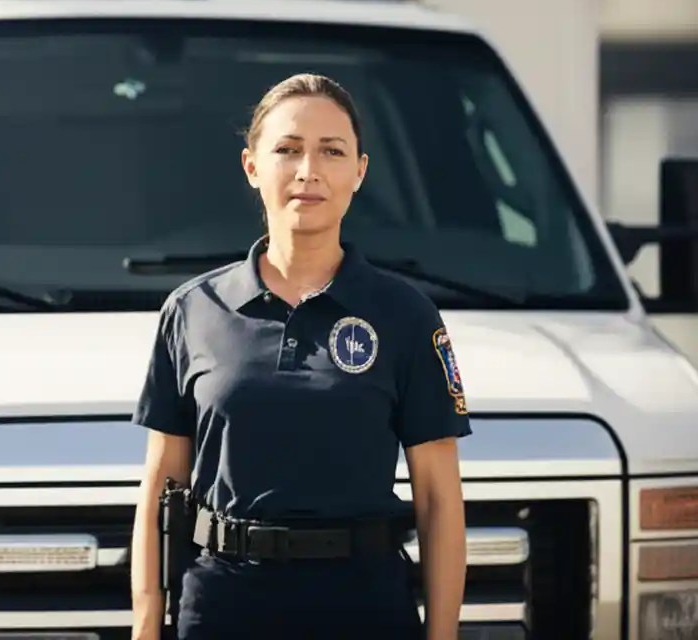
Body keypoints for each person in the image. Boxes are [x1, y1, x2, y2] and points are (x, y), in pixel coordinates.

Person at [128, 73, 470, 639]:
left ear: (359, 171)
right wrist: (145, 622)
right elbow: (161, 479)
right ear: (252, 167)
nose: (308, 170)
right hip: (222, 605)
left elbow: (437, 498)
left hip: (362, 606)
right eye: (287, 150)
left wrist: (442, 635)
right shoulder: (193, 311)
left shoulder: (406, 316)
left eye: (331, 151)